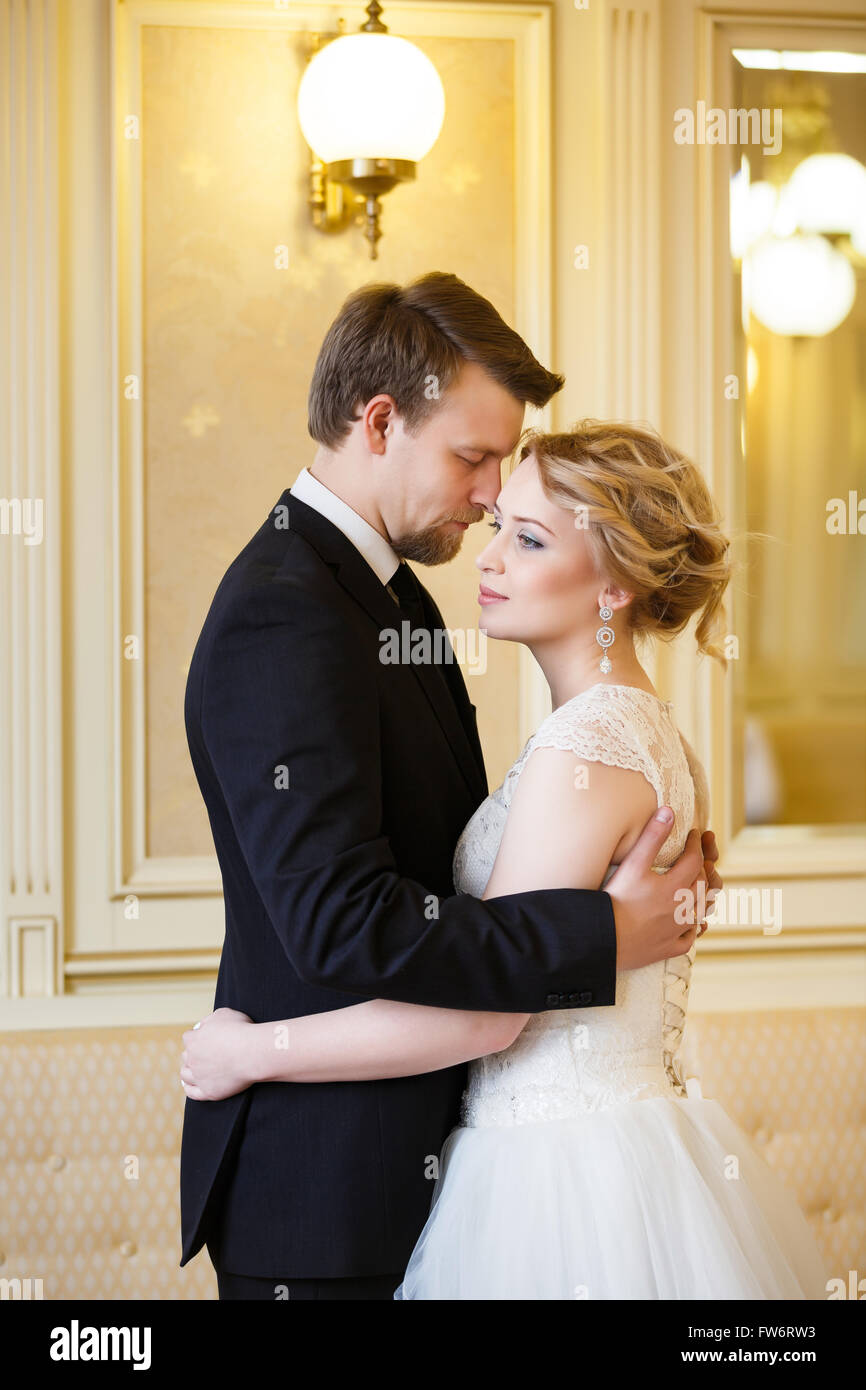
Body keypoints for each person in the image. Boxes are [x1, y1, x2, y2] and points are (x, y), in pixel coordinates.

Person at [183, 418, 829, 1300]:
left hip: (558, 1186)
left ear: (616, 586)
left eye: (528, 540)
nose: (489, 559)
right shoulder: (641, 729)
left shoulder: (588, 746)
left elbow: (486, 1020)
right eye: (498, 530)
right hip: (592, 1155)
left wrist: (251, 1053)